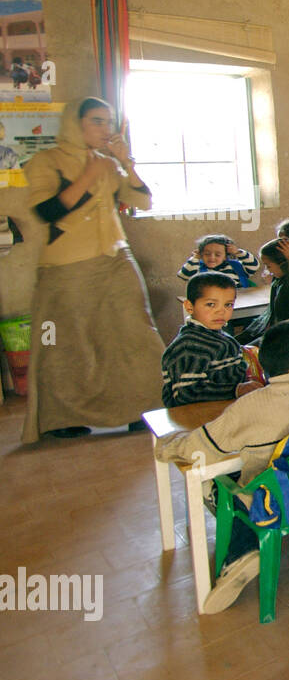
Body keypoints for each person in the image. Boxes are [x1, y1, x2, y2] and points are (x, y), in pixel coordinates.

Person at [154, 319, 289, 612]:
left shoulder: (251, 406)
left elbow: (201, 447)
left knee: (219, 482)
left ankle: (240, 557)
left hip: (272, 503)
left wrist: (168, 445)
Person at [21, 97, 164, 442]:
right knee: (67, 343)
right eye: (97, 121)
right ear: (76, 124)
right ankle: (61, 418)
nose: (106, 128)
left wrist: (125, 164)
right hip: (68, 266)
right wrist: (89, 174)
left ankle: (141, 407)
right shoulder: (46, 161)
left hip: (116, 259)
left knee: (135, 333)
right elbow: (47, 212)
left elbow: (143, 201)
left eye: (109, 121)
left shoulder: (107, 161)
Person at [162, 272, 261, 407]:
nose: (221, 311)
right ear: (189, 306)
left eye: (228, 305)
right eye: (210, 304)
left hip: (225, 411)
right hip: (197, 419)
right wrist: (237, 390)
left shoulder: (222, 338)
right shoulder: (188, 346)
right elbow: (187, 393)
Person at [236, 236, 289, 343]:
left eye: (268, 266)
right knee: (234, 343)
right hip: (274, 329)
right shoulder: (285, 277)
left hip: (285, 335)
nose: (268, 271)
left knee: (242, 351)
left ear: (284, 264)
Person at [177, 234, 260, 287]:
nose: (212, 258)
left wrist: (238, 252)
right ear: (201, 254)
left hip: (240, 303)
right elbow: (184, 275)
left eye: (218, 255)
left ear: (225, 256)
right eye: (207, 254)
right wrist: (195, 258)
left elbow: (254, 266)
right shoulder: (198, 269)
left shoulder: (235, 267)